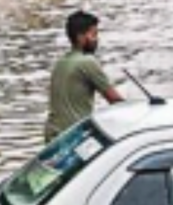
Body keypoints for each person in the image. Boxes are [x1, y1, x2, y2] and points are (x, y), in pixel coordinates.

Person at [46, 11, 124, 142]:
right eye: (93, 34)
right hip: (72, 138)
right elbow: (115, 100)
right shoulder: (87, 62)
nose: (96, 40)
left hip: (52, 136)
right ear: (80, 37)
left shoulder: (61, 62)